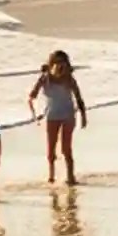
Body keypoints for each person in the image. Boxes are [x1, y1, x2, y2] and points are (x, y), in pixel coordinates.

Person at [28, 50, 88, 185]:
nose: (60, 67)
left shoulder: (69, 80)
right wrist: (34, 113)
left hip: (68, 115)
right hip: (52, 115)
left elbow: (79, 98)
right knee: (50, 149)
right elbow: (32, 97)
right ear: (51, 65)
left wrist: (83, 116)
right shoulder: (45, 79)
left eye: (63, 63)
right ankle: (51, 176)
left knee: (66, 149)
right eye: (57, 63)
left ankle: (70, 176)